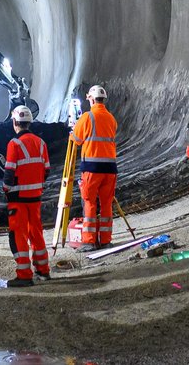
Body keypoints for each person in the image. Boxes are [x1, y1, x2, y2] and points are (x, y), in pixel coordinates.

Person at [3, 105, 51, 287]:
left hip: (18, 198)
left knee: (19, 236)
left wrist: (6, 188)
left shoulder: (14, 144)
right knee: (36, 234)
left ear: (15, 122)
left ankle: (24, 274)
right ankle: (43, 270)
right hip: (35, 197)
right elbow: (46, 170)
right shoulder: (41, 143)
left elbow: (9, 172)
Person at [71, 85, 118, 252]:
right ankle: (106, 240)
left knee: (90, 202)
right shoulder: (112, 119)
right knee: (106, 204)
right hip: (110, 169)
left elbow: (76, 139)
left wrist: (73, 130)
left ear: (90, 99)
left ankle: (89, 241)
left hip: (92, 168)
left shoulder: (87, 117)